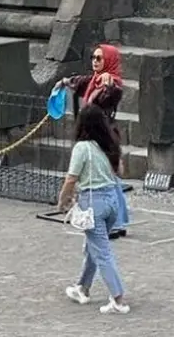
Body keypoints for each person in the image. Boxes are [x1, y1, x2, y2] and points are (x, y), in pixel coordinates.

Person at [56, 105, 129, 315]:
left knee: (102, 252)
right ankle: (82, 287)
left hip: (93, 202)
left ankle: (118, 298)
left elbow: (71, 178)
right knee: (93, 247)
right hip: (111, 200)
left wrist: (62, 200)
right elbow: (120, 172)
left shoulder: (83, 148)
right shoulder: (109, 145)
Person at [63, 44, 129, 237]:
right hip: (97, 135)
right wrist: (65, 82)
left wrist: (108, 85)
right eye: (93, 57)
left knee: (112, 178)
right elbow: (80, 82)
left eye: (99, 58)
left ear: (108, 60)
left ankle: (117, 222)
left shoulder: (112, 82)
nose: (95, 61)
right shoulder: (93, 80)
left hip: (106, 135)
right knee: (113, 179)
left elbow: (113, 93)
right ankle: (120, 220)